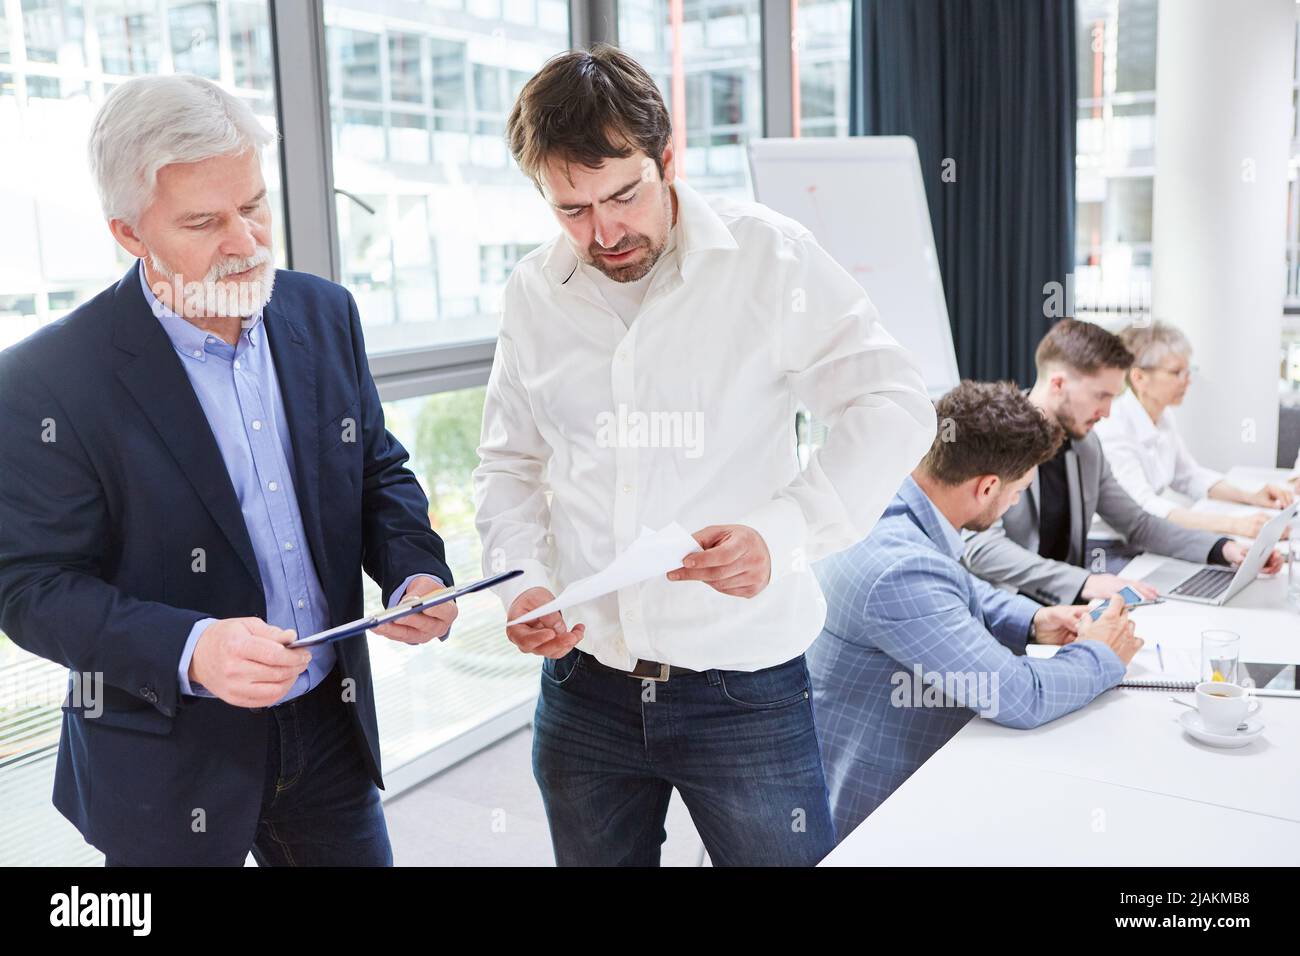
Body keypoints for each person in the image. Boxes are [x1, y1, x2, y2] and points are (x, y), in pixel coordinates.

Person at [473, 45, 936, 866]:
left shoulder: (771, 258)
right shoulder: (532, 294)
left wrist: (785, 529)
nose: (605, 231)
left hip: (743, 686)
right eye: (571, 210)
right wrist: (523, 578)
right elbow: (509, 465)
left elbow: (893, 404)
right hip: (585, 686)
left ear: (667, 158)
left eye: (624, 194)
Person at [0, 75, 456, 866]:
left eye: (252, 206)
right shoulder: (45, 381)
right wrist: (192, 647)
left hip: (328, 727)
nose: (245, 242)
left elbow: (376, 470)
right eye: (204, 221)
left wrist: (414, 572)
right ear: (129, 232)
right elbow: (32, 586)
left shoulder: (323, 312)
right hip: (163, 756)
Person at [809, 381, 1141, 838]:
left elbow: (952, 588)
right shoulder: (901, 570)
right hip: (883, 808)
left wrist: (1032, 621)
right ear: (987, 487)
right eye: (1018, 491)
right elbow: (1021, 696)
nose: (1012, 505)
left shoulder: (892, 502)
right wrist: (1101, 654)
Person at [964, 318, 1282, 604]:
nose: (1107, 413)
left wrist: (1222, 549)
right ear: (1058, 384)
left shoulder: (1086, 446)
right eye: (1101, 396)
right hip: (1009, 617)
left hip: (1072, 606)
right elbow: (981, 549)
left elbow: (1137, 523)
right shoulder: (995, 437)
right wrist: (1085, 582)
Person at [1091, 321, 1293, 543]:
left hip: (1149, 535)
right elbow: (1144, 506)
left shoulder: (1163, 416)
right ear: (1139, 378)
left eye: (1188, 371)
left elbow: (1188, 476)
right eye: (1176, 372)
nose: (1186, 381)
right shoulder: (1113, 428)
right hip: (1115, 544)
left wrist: (1251, 494)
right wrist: (1236, 525)